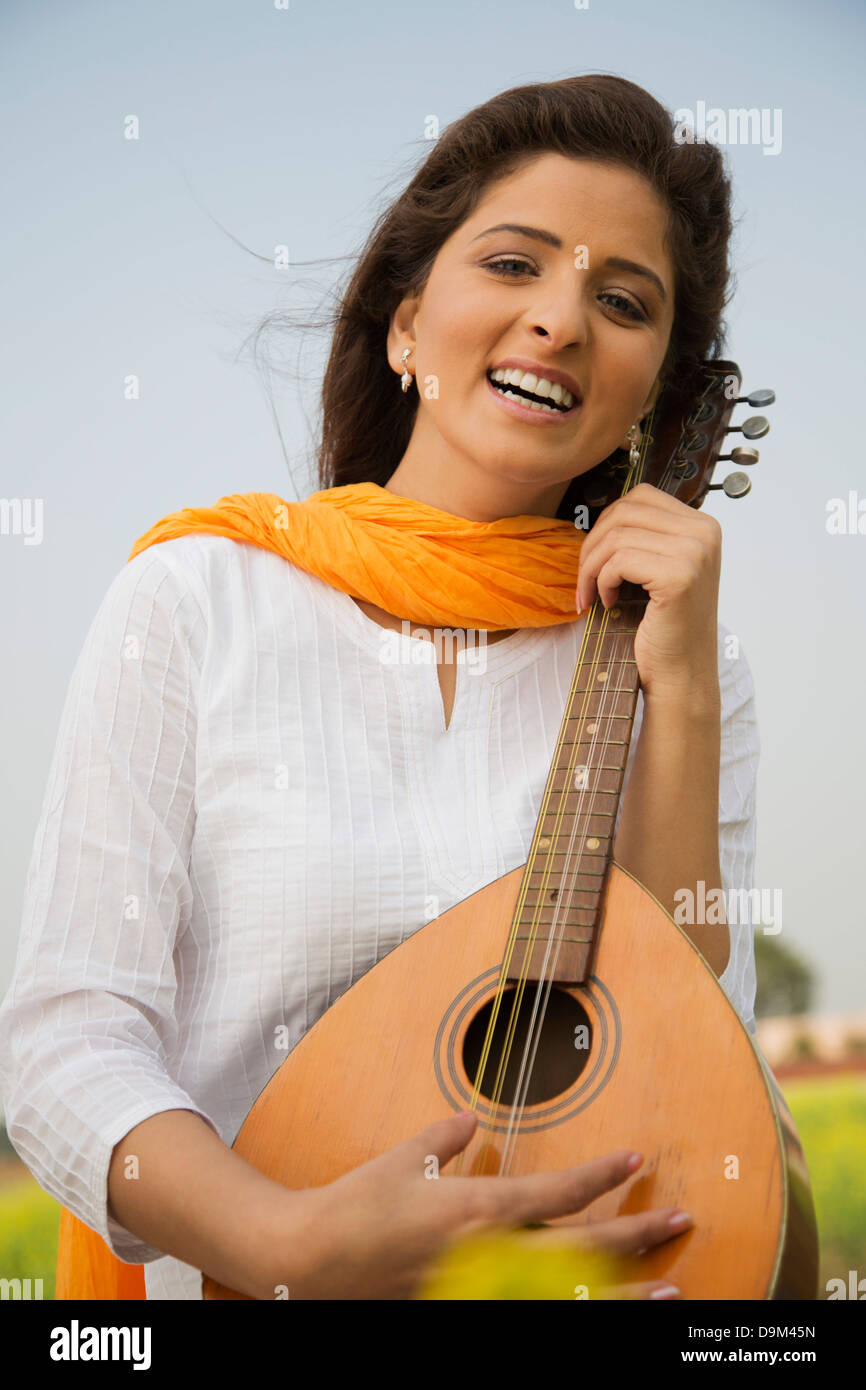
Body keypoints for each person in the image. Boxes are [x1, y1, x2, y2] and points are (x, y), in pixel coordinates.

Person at [0, 73, 759, 1301]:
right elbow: (65, 1039)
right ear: (405, 327)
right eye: (513, 265)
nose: (560, 320)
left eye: (621, 300)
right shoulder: (198, 600)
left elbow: (689, 1055)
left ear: (653, 399)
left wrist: (669, 692)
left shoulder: (679, 654)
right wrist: (282, 1243)